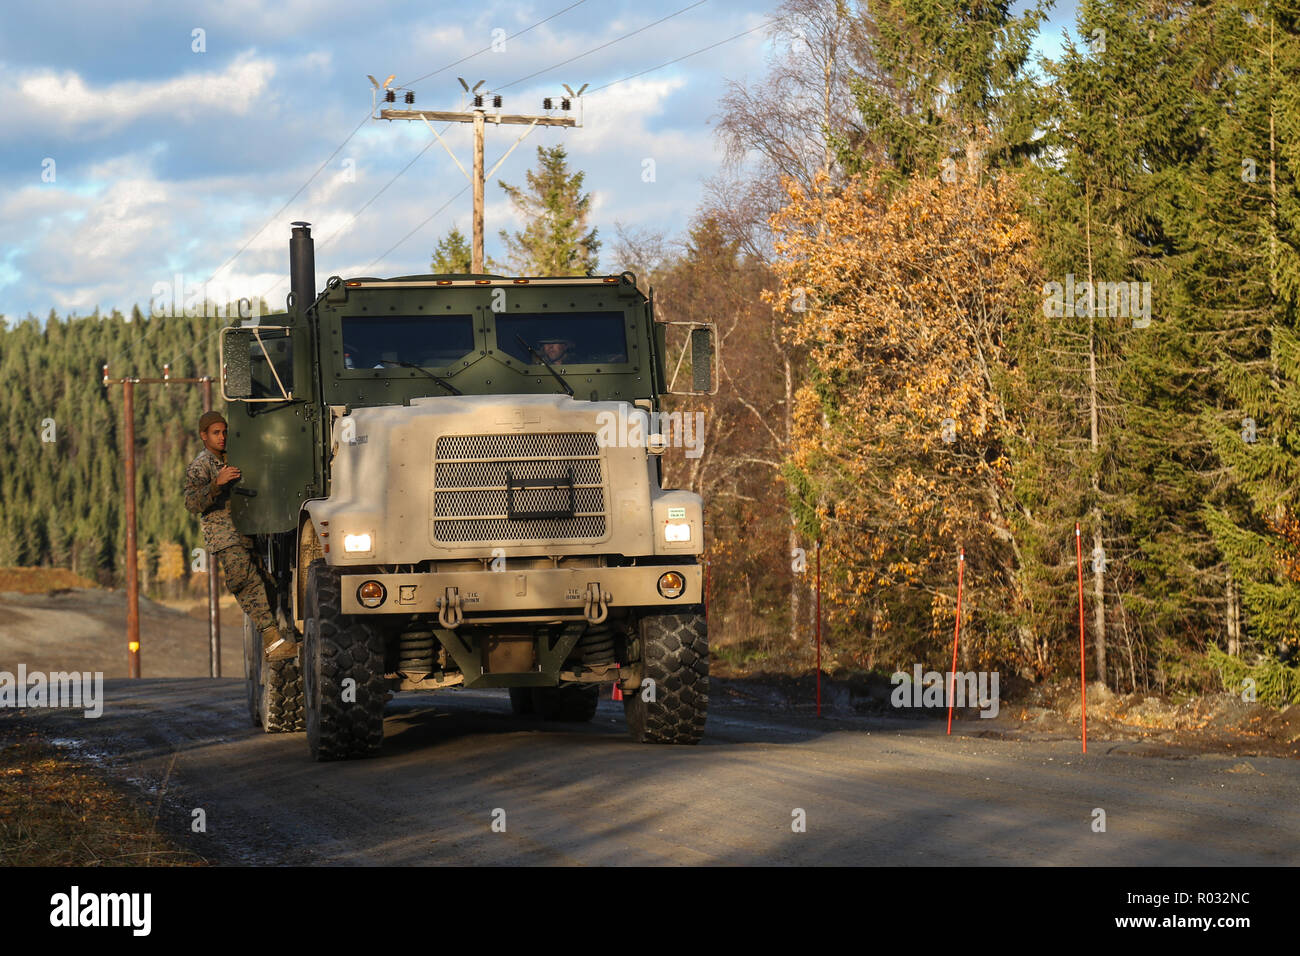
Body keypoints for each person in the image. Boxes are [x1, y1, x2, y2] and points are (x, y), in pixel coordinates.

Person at [183, 411, 298, 661]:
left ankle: (282, 637)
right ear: (204, 436)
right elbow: (191, 503)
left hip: (247, 532)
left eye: (224, 432)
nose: (222, 437)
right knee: (246, 581)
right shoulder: (201, 465)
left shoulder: (236, 457)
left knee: (267, 583)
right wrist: (216, 484)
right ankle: (272, 642)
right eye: (216, 433)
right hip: (224, 535)